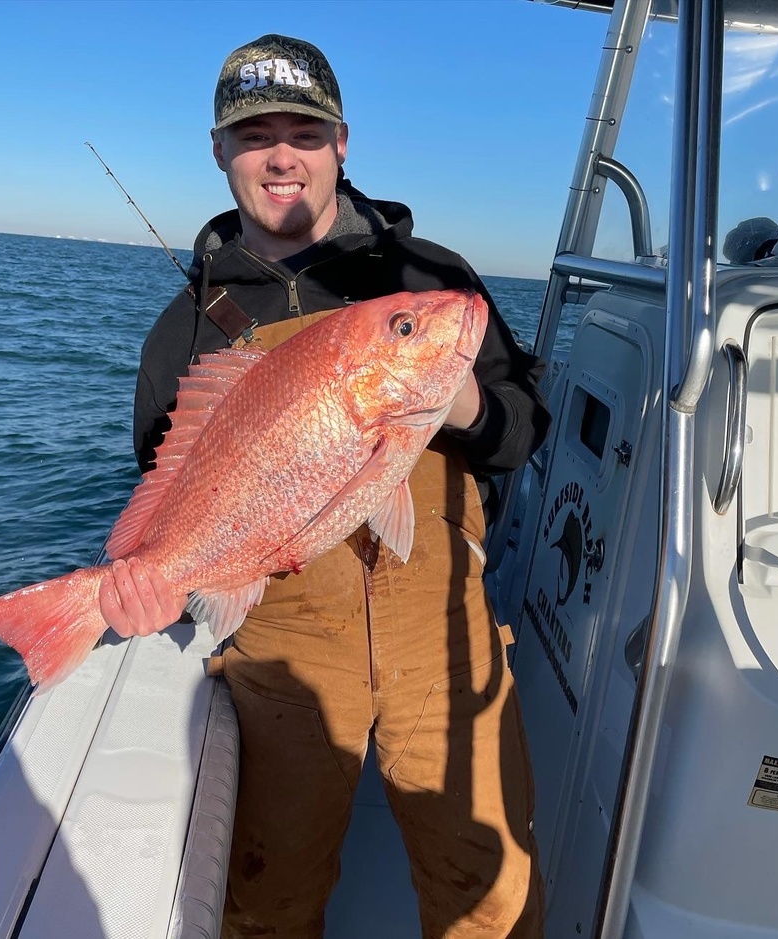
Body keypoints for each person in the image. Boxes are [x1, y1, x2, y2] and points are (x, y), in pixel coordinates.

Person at [99, 33, 551, 938]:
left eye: (302, 131)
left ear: (341, 142)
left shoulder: (434, 282)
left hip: (445, 636)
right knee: (266, 898)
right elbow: (164, 489)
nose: (280, 156)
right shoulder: (179, 335)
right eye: (253, 133)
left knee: (491, 894)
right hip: (283, 659)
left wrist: (466, 407)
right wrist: (151, 580)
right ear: (220, 152)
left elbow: (523, 431)